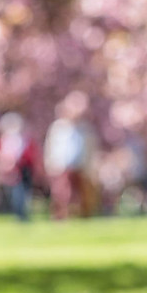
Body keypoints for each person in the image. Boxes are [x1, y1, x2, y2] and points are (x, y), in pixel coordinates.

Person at [43, 91, 99, 220]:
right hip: (61, 166)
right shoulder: (58, 127)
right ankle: (61, 216)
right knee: (61, 193)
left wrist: (90, 166)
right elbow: (51, 147)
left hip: (80, 165)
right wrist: (50, 164)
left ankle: (83, 216)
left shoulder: (85, 129)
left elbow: (91, 148)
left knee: (83, 193)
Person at [0, 112, 42, 221]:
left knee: (23, 192)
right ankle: (18, 214)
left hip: (24, 169)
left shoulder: (25, 139)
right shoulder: (5, 140)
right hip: (11, 170)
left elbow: (31, 155)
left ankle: (23, 214)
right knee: (15, 193)